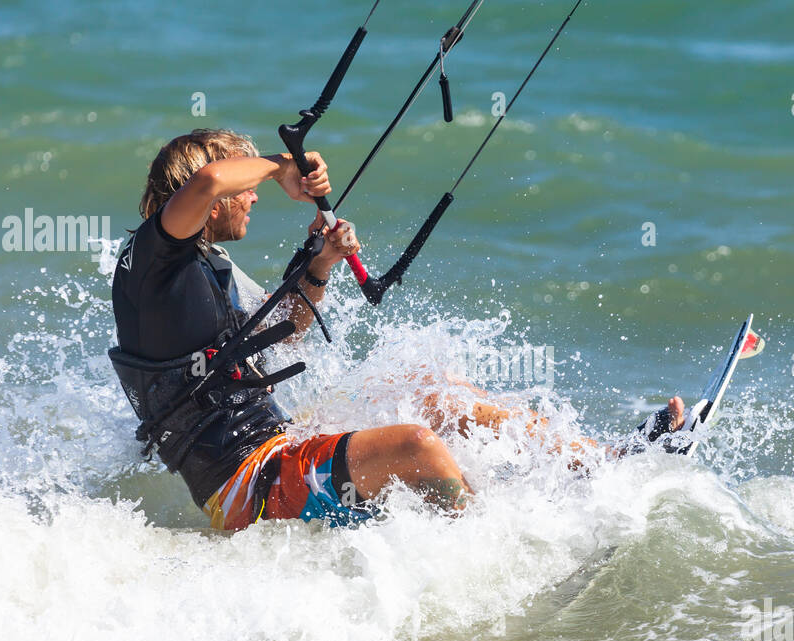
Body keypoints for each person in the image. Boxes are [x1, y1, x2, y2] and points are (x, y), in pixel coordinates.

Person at [110, 129, 687, 531]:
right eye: (248, 185)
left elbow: (287, 330)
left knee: (438, 393)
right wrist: (284, 169)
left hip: (277, 445)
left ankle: (604, 459)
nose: (255, 195)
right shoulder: (155, 258)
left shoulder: (205, 268)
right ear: (209, 202)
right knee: (416, 445)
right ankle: (497, 553)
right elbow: (210, 178)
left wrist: (320, 264)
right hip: (244, 486)